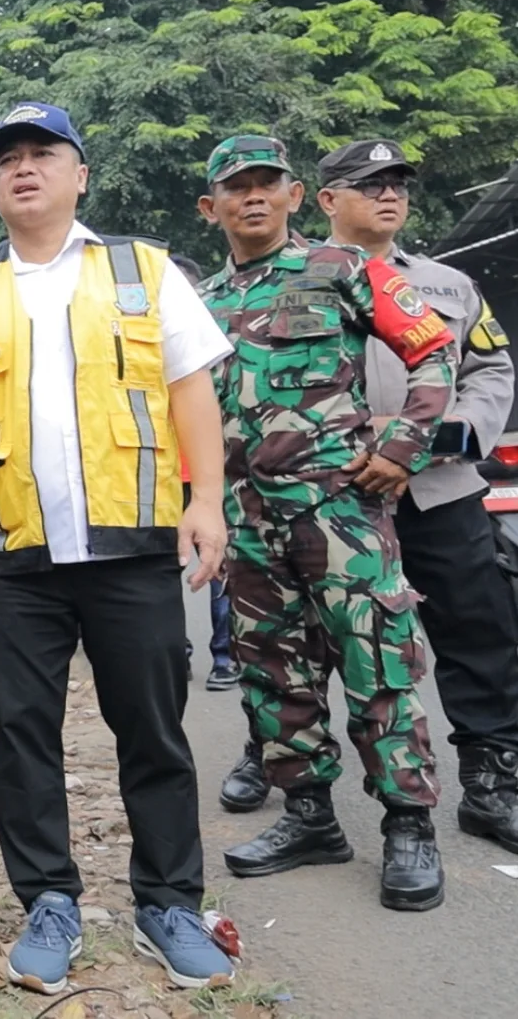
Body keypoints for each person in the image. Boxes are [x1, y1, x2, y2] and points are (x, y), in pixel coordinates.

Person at [0, 102, 235, 994]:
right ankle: (49, 897)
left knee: (152, 728)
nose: (24, 169)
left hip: (131, 550)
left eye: (43, 154)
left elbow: (191, 391)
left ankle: (169, 900)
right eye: (7, 158)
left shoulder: (145, 272)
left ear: (79, 174)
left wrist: (207, 498)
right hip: (14, 556)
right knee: (21, 734)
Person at [216, 139, 518, 854]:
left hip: (430, 490)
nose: (388, 195)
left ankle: (484, 782)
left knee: (455, 638)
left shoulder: (440, 284)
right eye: (368, 184)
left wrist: (414, 445)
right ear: (323, 199)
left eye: (397, 184)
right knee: (283, 650)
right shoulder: (228, 292)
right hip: (303, 502)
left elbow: (475, 367)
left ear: (289, 194)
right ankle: (289, 780)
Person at [195, 135, 455, 912]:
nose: (253, 197)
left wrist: (405, 448)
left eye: (267, 184)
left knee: (378, 664)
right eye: (236, 188)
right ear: (211, 208)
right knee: (273, 673)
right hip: (246, 521)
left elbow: (435, 357)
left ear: (295, 196)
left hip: (339, 510)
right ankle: (309, 816)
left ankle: (409, 824)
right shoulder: (201, 305)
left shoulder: (342, 270)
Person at [170, 253, 239, 692]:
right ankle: (177, 652)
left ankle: (225, 656)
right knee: (163, 569)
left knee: (218, 563)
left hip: (212, 470)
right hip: (158, 475)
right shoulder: (143, 335)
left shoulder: (216, 338)